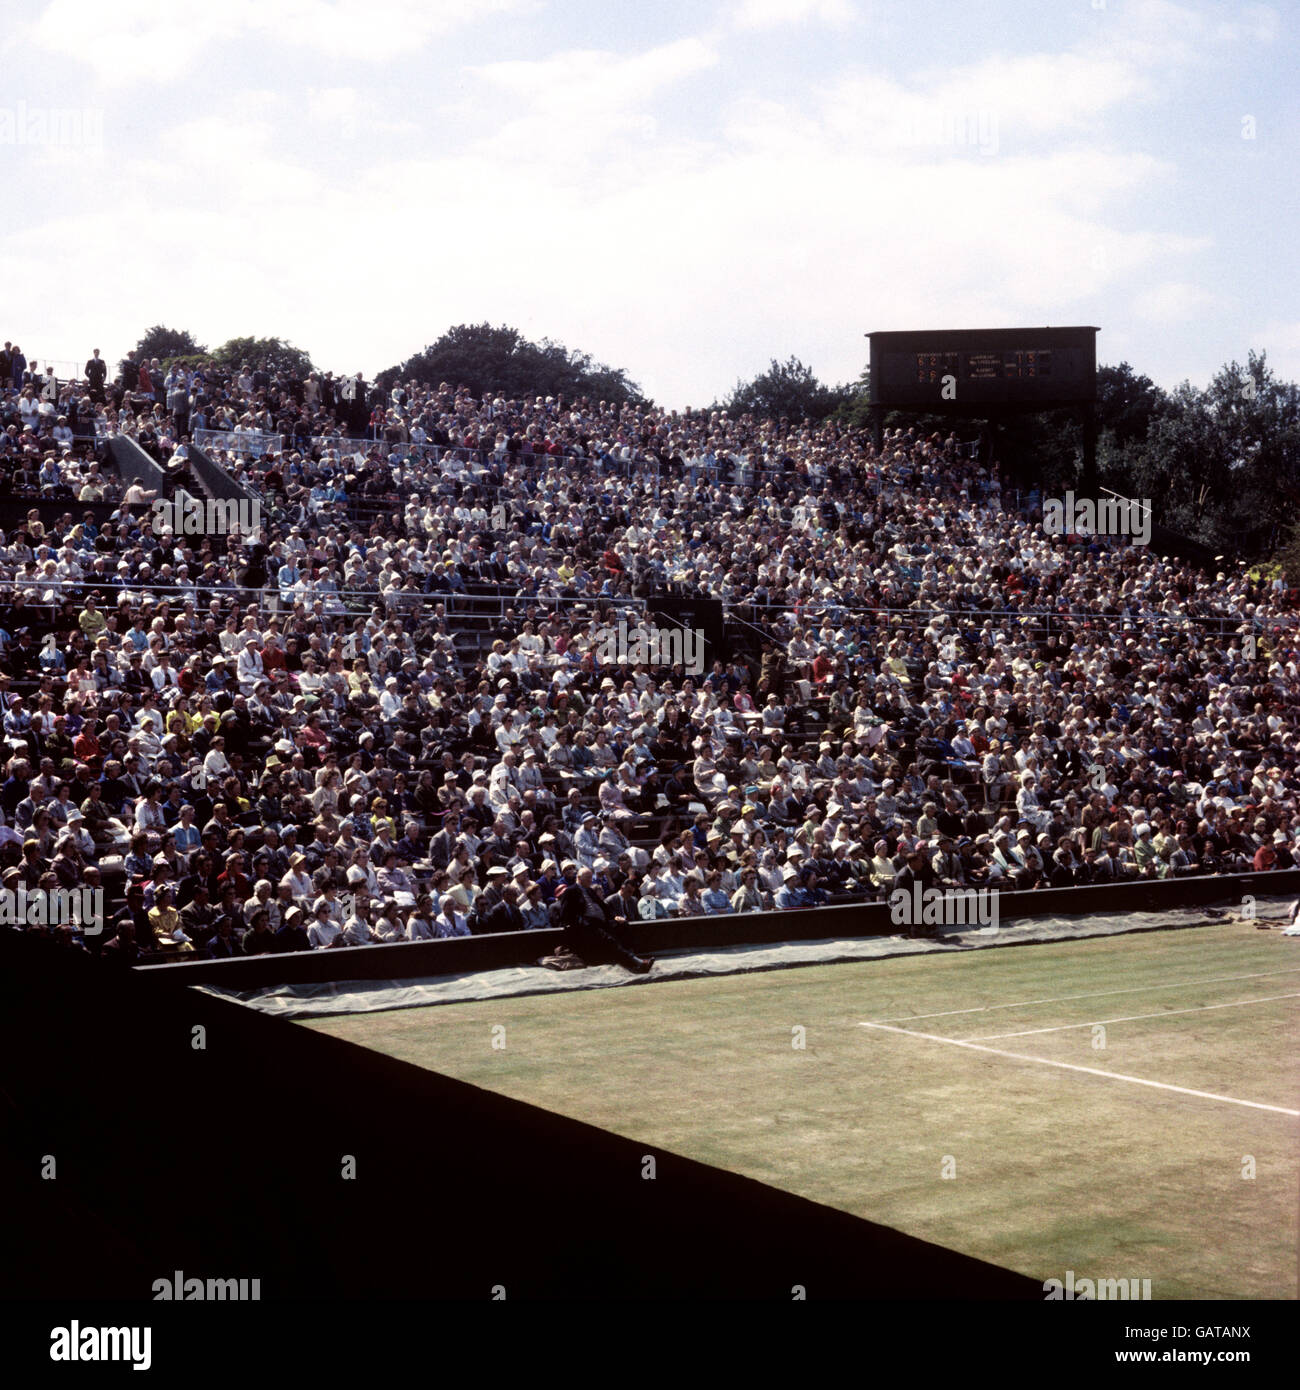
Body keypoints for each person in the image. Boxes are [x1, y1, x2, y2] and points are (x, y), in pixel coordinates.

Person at [557, 866, 654, 973]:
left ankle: (632, 956)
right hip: (586, 926)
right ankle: (636, 963)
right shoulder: (571, 891)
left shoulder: (590, 890)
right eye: (587, 878)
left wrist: (614, 917)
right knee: (608, 939)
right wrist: (582, 922)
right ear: (579, 878)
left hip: (600, 922)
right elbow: (566, 915)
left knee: (622, 926)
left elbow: (603, 906)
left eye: (591, 877)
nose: (590, 880)